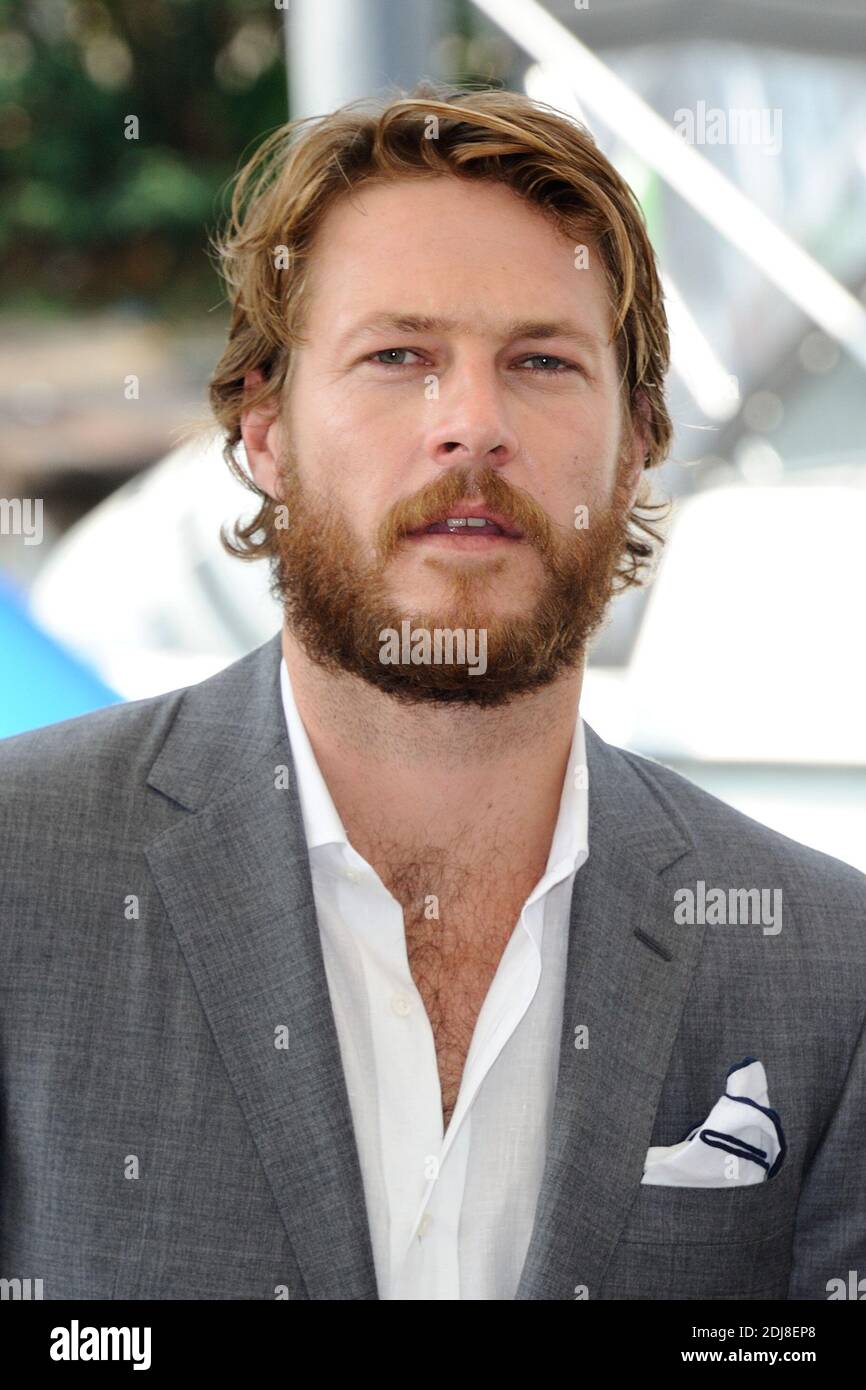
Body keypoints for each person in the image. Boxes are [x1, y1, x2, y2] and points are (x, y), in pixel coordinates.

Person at [1, 84, 864, 1302]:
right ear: (264, 431)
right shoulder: (21, 879)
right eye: (397, 355)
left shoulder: (829, 969)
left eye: (541, 361)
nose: (470, 423)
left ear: (636, 443)